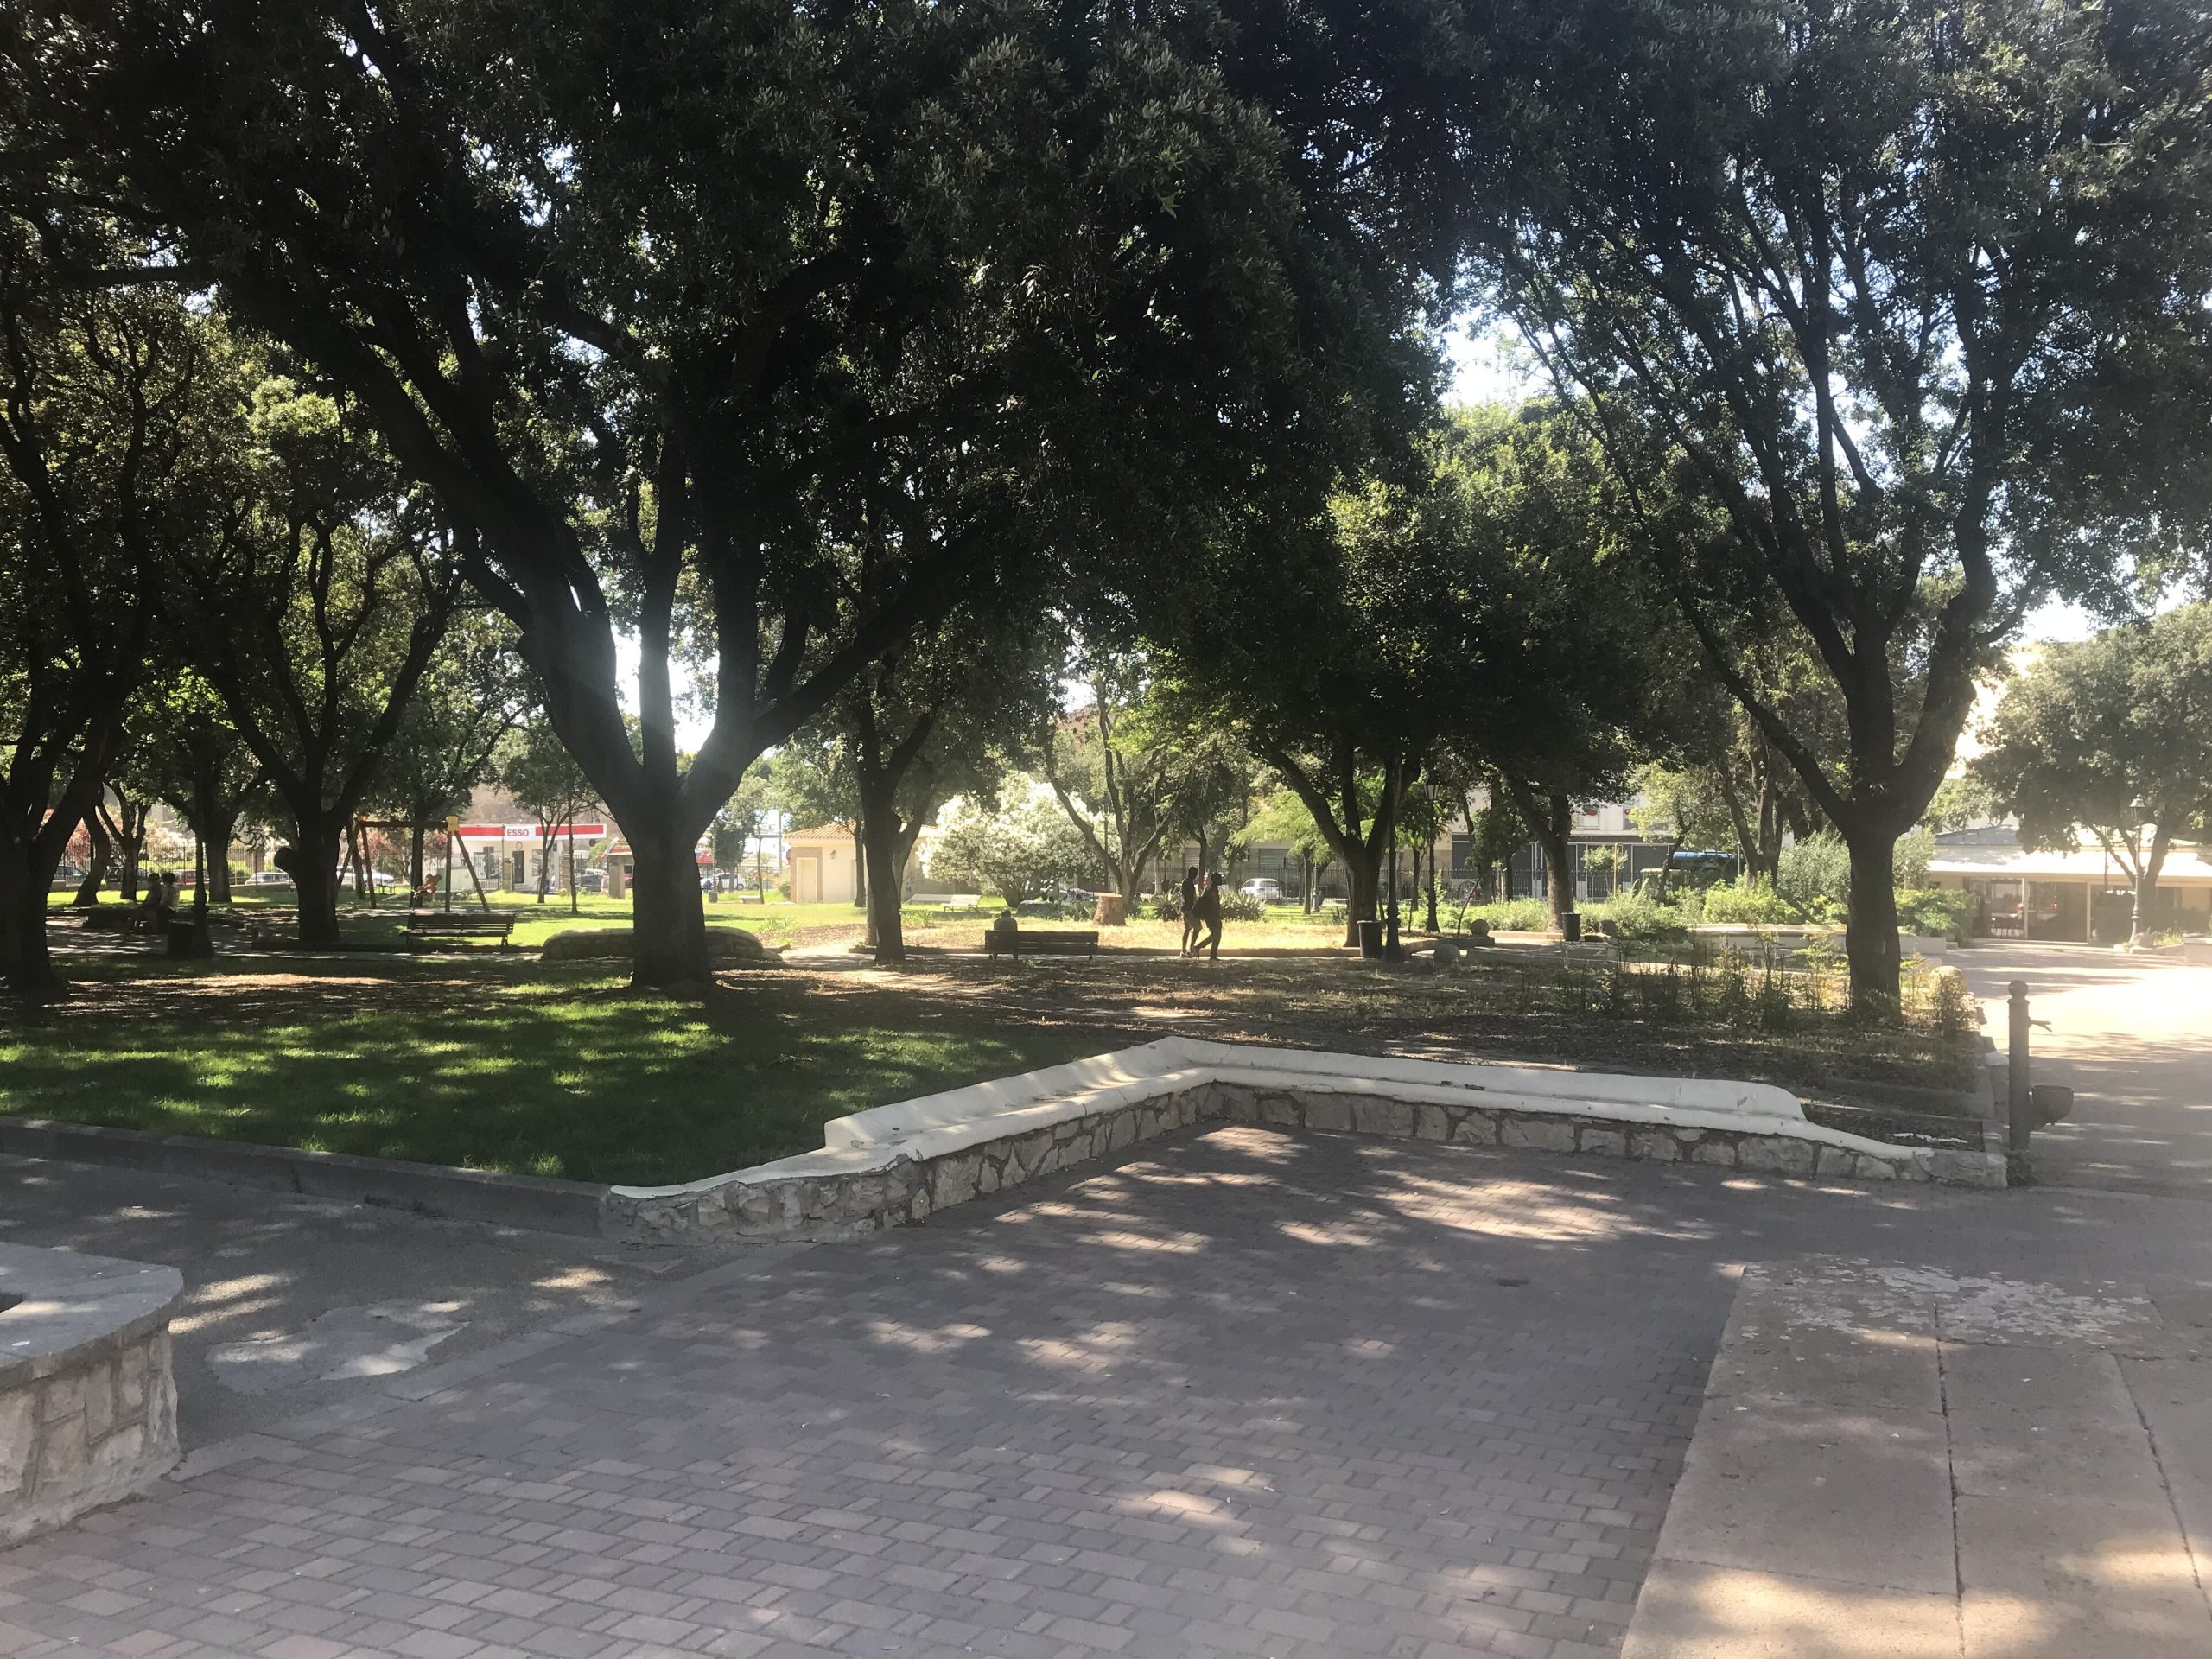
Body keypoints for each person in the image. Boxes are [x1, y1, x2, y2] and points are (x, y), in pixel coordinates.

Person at [1192, 871, 1225, 962]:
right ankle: (1211, 954)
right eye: (1220, 879)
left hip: (1210, 916)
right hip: (1212, 916)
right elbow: (1214, 905)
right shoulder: (1213, 890)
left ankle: (1200, 948)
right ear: (1216, 880)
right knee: (1217, 934)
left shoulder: (1210, 889)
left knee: (1216, 934)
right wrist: (1218, 914)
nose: (1221, 880)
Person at [1179, 867, 1201, 957]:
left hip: (1186, 909)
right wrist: (1191, 909)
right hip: (1189, 910)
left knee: (1188, 929)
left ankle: (1184, 950)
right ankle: (1191, 948)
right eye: (1195, 873)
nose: (1196, 876)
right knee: (1198, 928)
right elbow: (1189, 898)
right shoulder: (1188, 883)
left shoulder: (1187, 882)